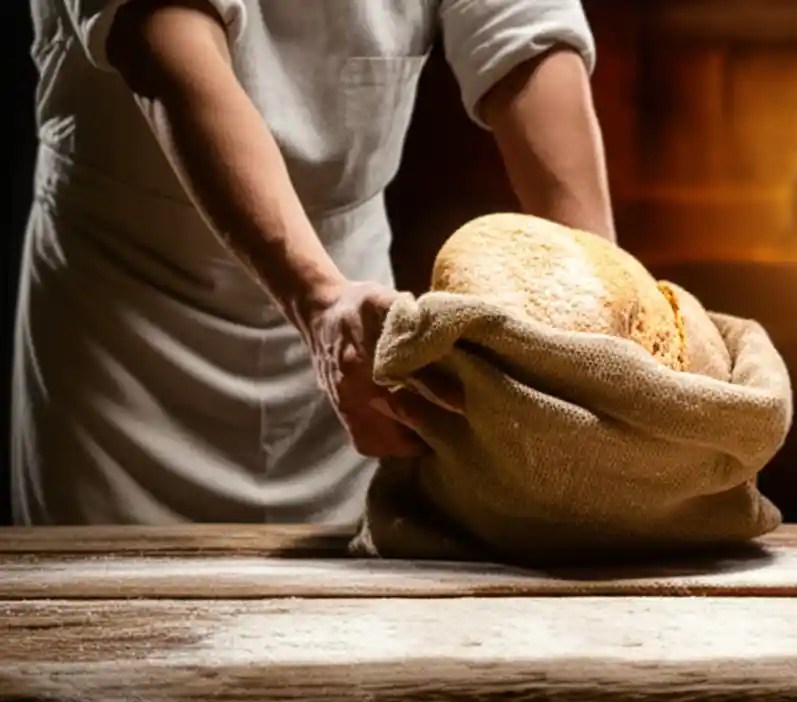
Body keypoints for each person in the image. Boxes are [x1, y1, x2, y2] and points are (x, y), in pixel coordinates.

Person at [13, 0, 615, 524]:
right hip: (128, 328)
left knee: (354, 622)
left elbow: (528, 41)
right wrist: (318, 300)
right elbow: (166, 43)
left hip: (351, 296)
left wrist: (605, 302)